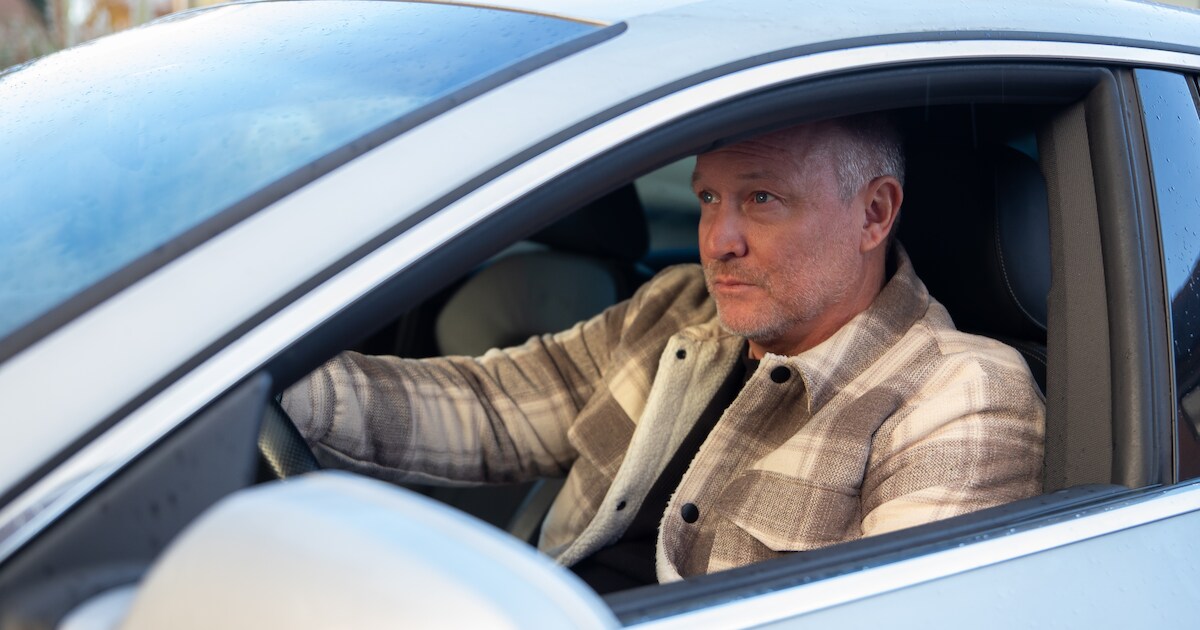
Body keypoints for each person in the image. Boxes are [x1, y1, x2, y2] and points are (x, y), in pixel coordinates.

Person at [281, 113, 1044, 593]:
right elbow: (494, 409)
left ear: (874, 213)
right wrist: (275, 387)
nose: (720, 240)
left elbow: (894, 618)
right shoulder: (678, 307)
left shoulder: (958, 393)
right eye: (709, 198)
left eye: (762, 199)